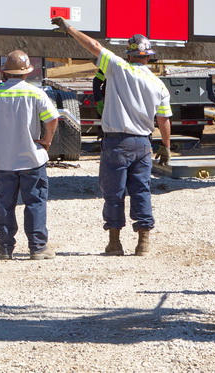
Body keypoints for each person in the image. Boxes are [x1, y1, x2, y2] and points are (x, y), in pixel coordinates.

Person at [51, 16, 172, 257]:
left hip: (117, 142)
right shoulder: (158, 84)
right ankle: (143, 243)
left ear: (129, 55)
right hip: (143, 143)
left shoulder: (117, 67)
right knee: (141, 191)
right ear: (148, 56)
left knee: (114, 192)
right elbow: (164, 120)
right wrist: (166, 146)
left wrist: (70, 28)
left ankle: (115, 243)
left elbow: (94, 46)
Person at [0, 50, 59, 260]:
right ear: (27, 73)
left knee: (5, 204)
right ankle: (37, 248)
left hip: (4, 161)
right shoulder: (36, 93)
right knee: (35, 203)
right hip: (32, 159)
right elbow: (52, 119)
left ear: (4, 73)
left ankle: (5, 249)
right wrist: (46, 141)